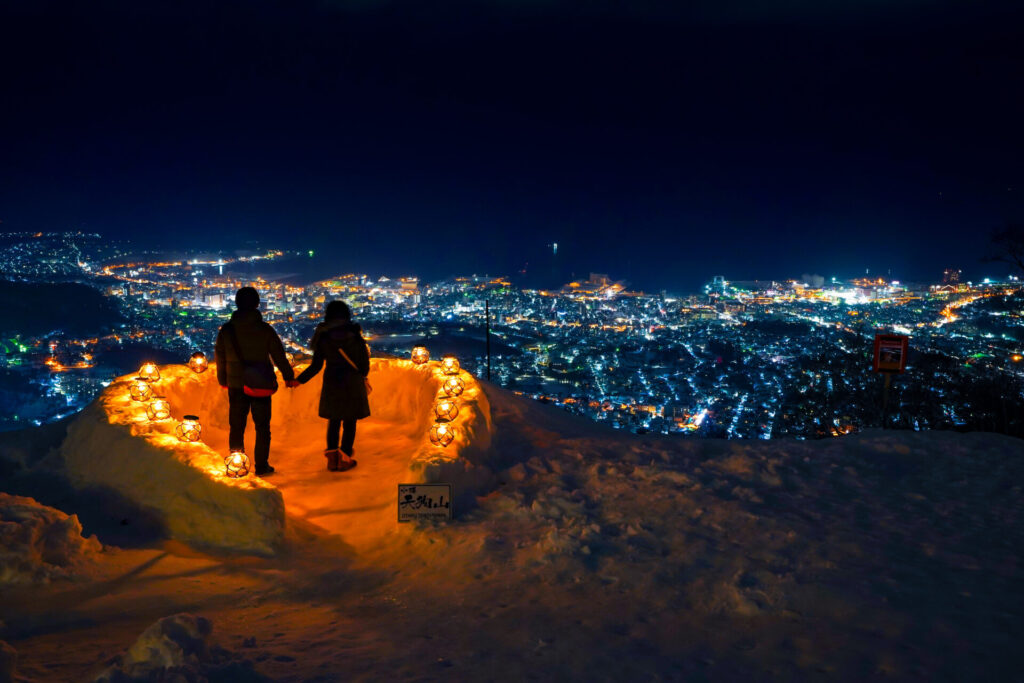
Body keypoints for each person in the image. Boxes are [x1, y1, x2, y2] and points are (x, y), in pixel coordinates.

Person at [215, 286, 297, 477]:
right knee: (262, 426)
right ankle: (261, 466)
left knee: (237, 425)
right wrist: (288, 376)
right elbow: (279, 355)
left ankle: (236, 464)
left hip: (236, 385)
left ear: (236, 304)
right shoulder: (265, 329)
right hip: (260, 383)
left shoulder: (227, 330)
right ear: (257, 304)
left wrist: (223, 380)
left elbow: (220, 356)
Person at [297, 300, 370, 472]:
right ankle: (344, 459)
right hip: (352, 383)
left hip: (332, 382)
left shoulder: (323, 337)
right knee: (350, 422)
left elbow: (316, 366)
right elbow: (364, 367)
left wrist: (299, 380)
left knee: (334, 420)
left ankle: (332, 460)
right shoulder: (355, 336)